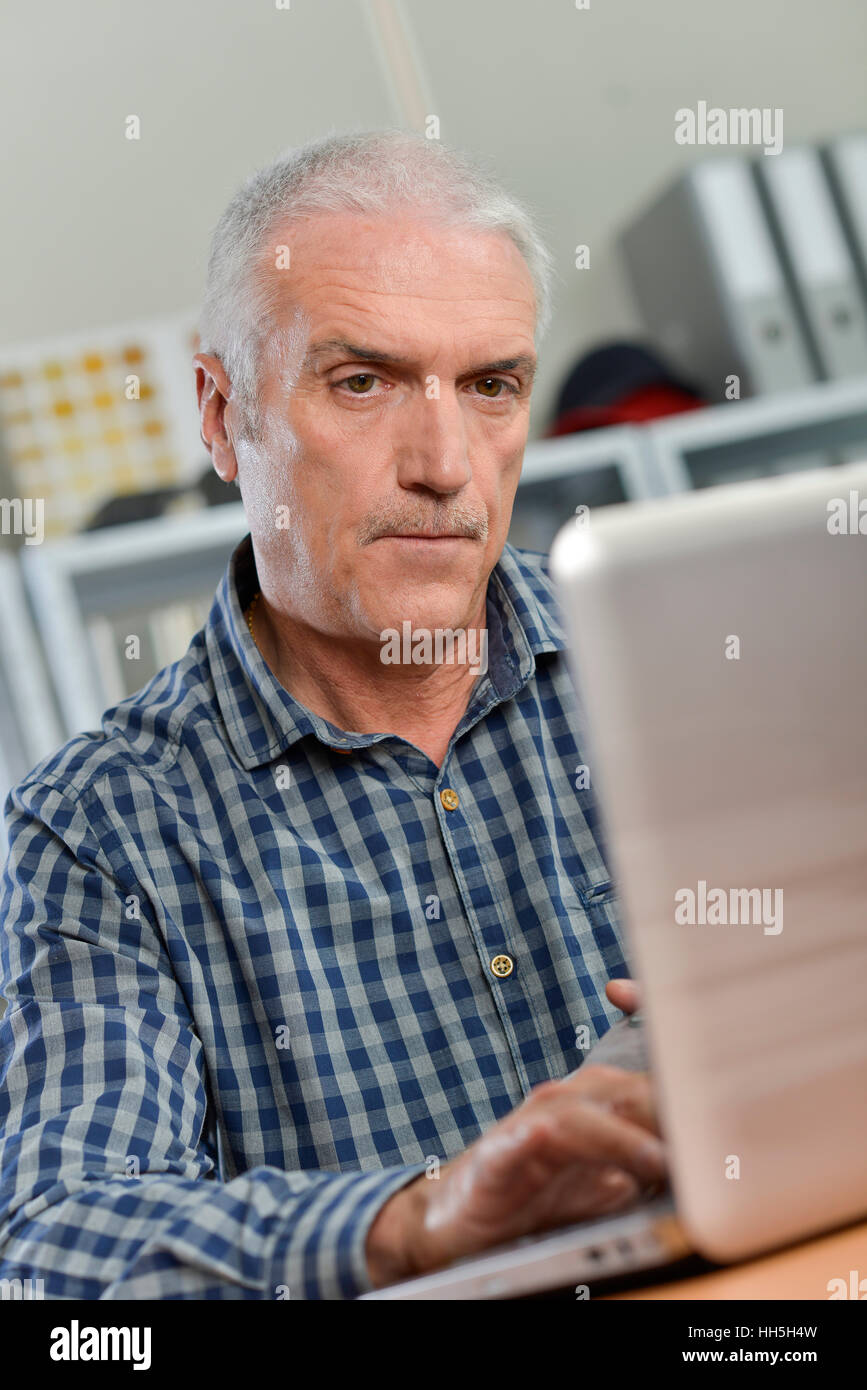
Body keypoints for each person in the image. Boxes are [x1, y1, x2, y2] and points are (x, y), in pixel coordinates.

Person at [0, 130, 664, 1300]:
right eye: (362, 381)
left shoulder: (676, 656)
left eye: (492, 385)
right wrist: (413, 1223)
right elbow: (62, 1251)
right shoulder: (94, 836)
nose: (447, 465)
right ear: (222, 417)